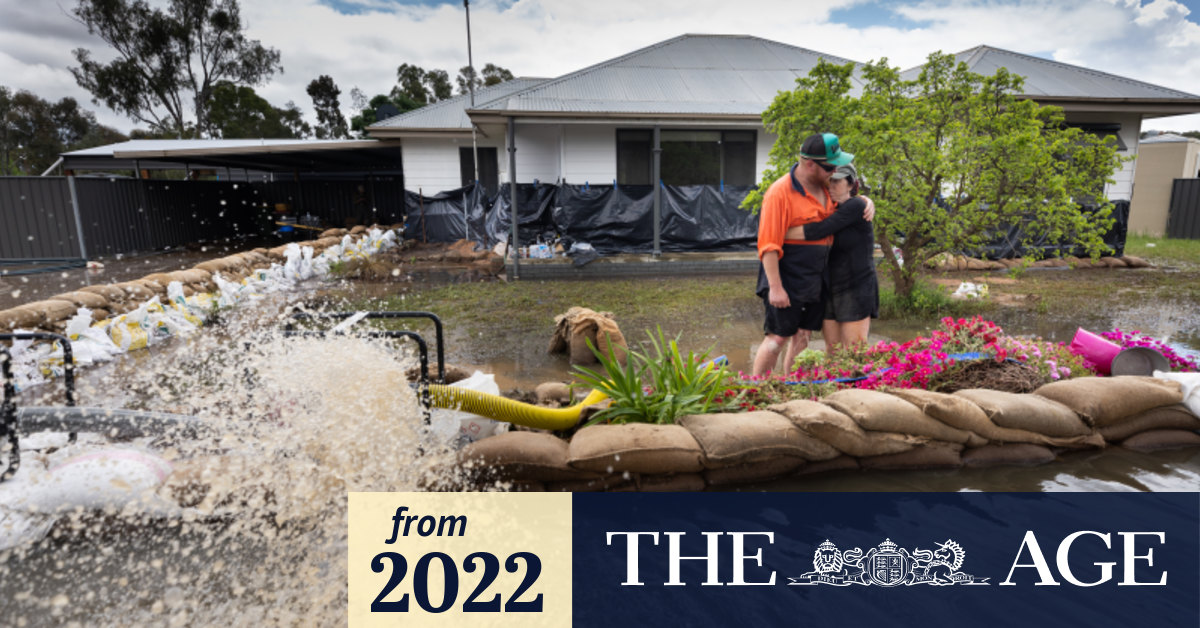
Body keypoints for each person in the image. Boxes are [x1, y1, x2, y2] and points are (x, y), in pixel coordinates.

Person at [752, 133, 852, 377]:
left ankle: (792, 387)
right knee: (777, 338)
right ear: (810, 164)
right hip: (788, 275)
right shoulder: (780, 193)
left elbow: (848, 202)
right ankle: (756, 389)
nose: (834, 172)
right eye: (830, 167)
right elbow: (768, 245)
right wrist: (776, 287)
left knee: (803, 335)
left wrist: (865, 201)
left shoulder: (827, 186)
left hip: (816, 275)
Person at [793, 163, 879, 350]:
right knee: (833, 351)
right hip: (831, 286)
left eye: (837, 182)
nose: (830, 186)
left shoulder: (856, 206)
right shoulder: (828, 208)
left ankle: (860, 381)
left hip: (856, 286)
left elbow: (819, 230)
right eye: (828, 181)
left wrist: (778, 233)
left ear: (850, 185)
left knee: (854, 351)